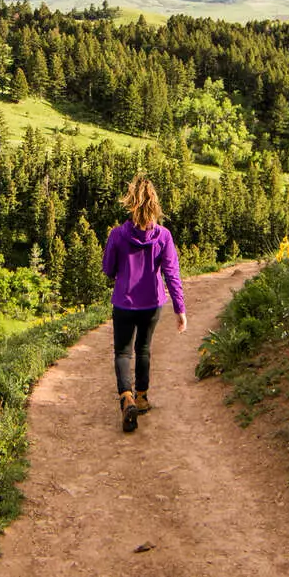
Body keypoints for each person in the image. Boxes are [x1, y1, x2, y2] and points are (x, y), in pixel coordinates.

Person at [101, 176, 186, 433]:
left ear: (130, 203)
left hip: (124, 302)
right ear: (154, 205)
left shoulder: (117, 235)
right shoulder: (164, 236)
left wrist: (121, 271)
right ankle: (142, 397)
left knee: (123, 352)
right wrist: (180, 309)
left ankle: (125, 397)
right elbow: (172, 274)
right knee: (144, 349)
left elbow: (107, 269)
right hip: (152, 303)